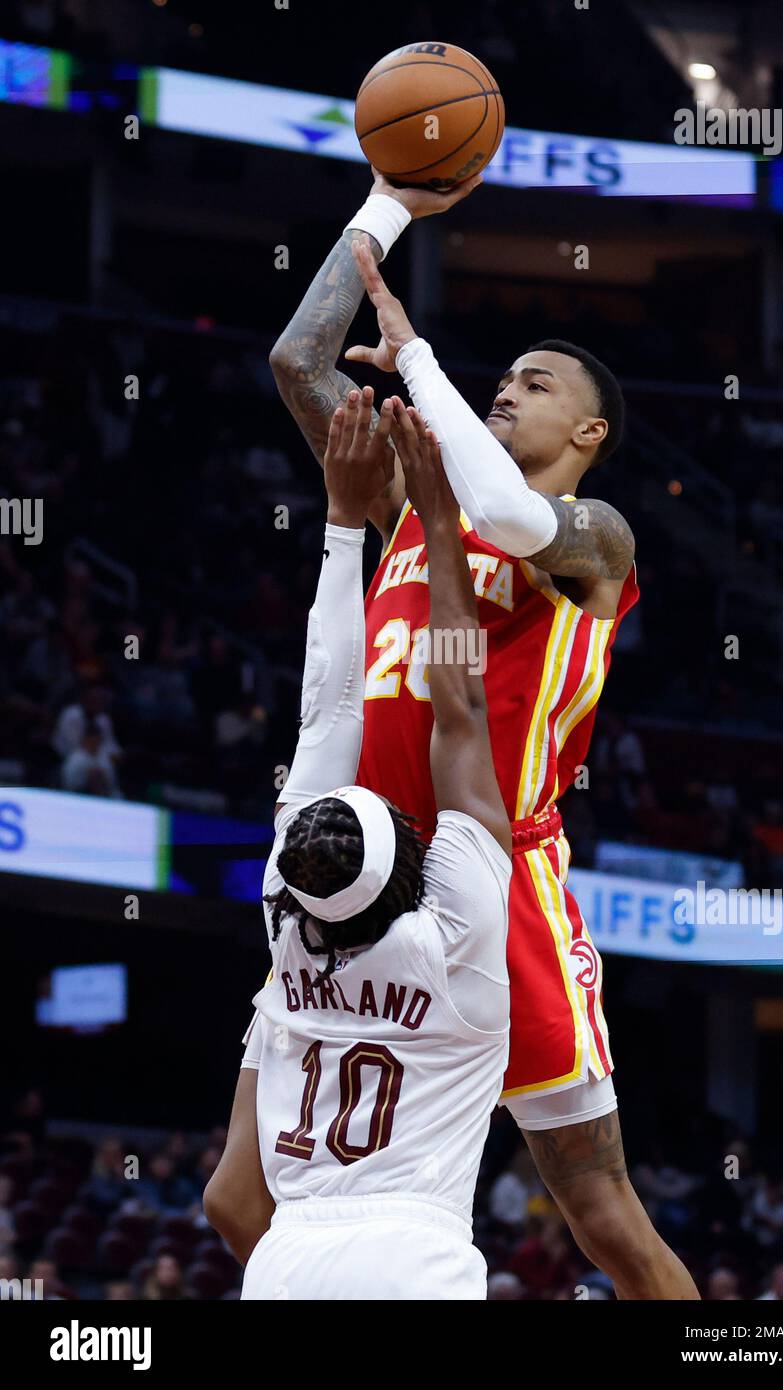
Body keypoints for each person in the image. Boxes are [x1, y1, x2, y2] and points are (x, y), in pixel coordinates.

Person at [206, 169, 698, 1299]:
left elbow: (512, 519)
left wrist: (416, 357)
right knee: (236, 1198)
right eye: (501, 378)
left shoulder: (595, 542)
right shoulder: (407, 510)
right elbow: (295, 365)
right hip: (351, 874)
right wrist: (388, 205)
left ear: (589, 427)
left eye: (533, 384)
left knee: (599, 1212)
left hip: (492, 878)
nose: (504, 392)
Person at [236, 387, 512, 1300]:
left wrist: (344, 524)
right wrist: (440, 523)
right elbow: (460, 707)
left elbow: (334, 704)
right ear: (408, 852)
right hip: (410, 1255)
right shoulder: (447, 942)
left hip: (287, 1254)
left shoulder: (293, 929)